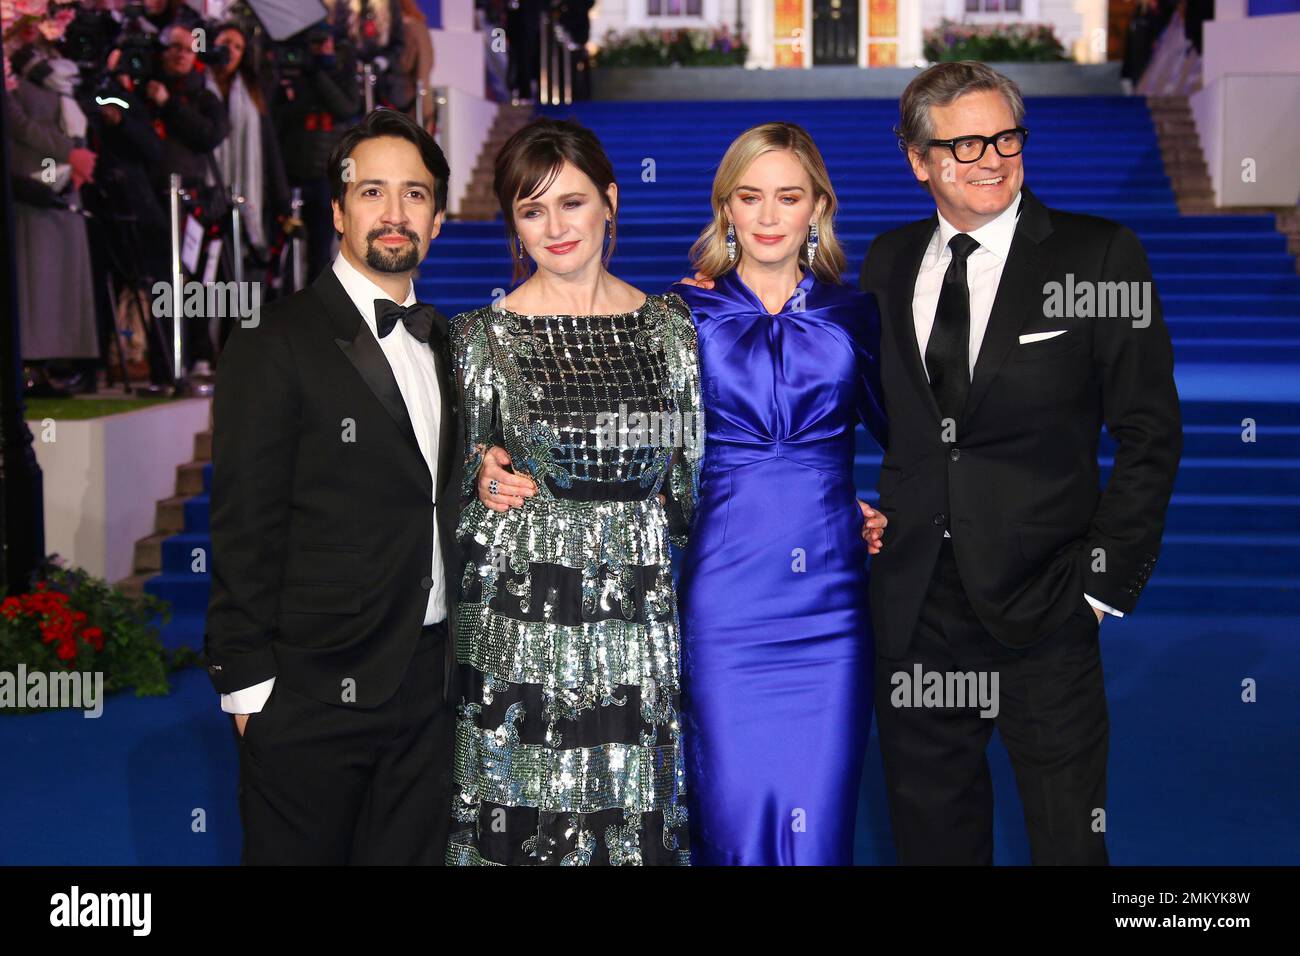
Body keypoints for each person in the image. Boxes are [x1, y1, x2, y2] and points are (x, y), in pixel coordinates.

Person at [859, 61, 1182, 864]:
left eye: (1005, 136)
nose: (990, 157)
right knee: (933, 838)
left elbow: (1150, 431)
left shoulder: (1099, 256)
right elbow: (872, 415)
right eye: (963, 143)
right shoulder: (887, 262)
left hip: (1047, 605)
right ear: (918, 159)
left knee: (1071, 839)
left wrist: (1102, 585)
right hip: (916, 607)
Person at [205, 109, 460, 865]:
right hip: (311, 692)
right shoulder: (271, 341)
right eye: (372, 191)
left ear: (438, 221)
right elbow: (244, 523)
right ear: (340, 209)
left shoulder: (453, 341)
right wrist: (249, 691)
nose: (393, 212)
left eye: (413, 194)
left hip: (430, 689)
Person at [446, 117, 700, 865]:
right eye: (532, 209)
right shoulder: (477, 339)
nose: (555, 227)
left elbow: (688, 490)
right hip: (523, 624)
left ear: (611, 202)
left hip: (636, 623)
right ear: (513, 224)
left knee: (632, 826)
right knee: (525, 824)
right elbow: (444, 490)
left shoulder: (671, 331)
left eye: (573, 203)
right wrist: (478, 478)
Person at [660, 123, 889, 865]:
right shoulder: (680, 317)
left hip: (830, 610)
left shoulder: (855, 316)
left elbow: (917, 441)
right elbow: (628, 440)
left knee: (817, 825)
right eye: (748, 197)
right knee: (732, 824)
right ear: (725, 208)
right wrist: (495, 451)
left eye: (787, 197)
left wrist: (886, 507)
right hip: (723, 607)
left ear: (817, 206)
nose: (766, 217)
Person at [273, 21, 362, 281]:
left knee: (321, 249)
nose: (322, 48)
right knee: (287, 248)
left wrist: (316, 76)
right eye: (316, 43)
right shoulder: (292, 75)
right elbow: (280, 117)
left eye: (326, 42)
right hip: (293, 173)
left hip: (327, 177)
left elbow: (346, 108)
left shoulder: (342, 73)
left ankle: (317, 308)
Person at [208, 21, 289, 264]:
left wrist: (283, 202)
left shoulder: (252, 89)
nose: (230, 51)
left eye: (237, 47)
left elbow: (269, 146)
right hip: (208, 192)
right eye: (225, 44)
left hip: (247, 192)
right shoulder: (199, 83)